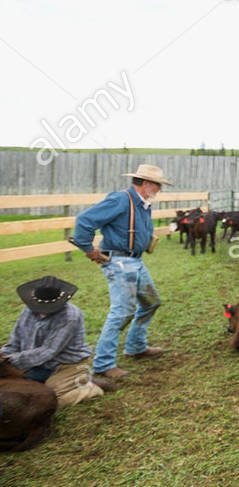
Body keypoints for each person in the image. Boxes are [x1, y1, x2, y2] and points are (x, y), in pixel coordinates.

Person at [71, 162, 169, 383]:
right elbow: (84, 221)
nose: (159, 189)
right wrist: (88, 249)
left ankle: (135, 346)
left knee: (151, 302)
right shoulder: (121, 199)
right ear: (146, 184)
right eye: (158, 185)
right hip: (120, 262)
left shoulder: (143, 203)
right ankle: (103, 364)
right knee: (122, 311)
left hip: (136, 261)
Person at [2, 276, 105, 406]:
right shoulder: (28, 310)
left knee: (51, 400)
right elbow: (15, 341)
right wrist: (4, 355)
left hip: (65, 364)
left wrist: (11, 360)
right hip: (34, 363)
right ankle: (74, 381)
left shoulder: (70, 316)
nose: (43, 312)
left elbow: (49, 351)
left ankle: (89, 389)